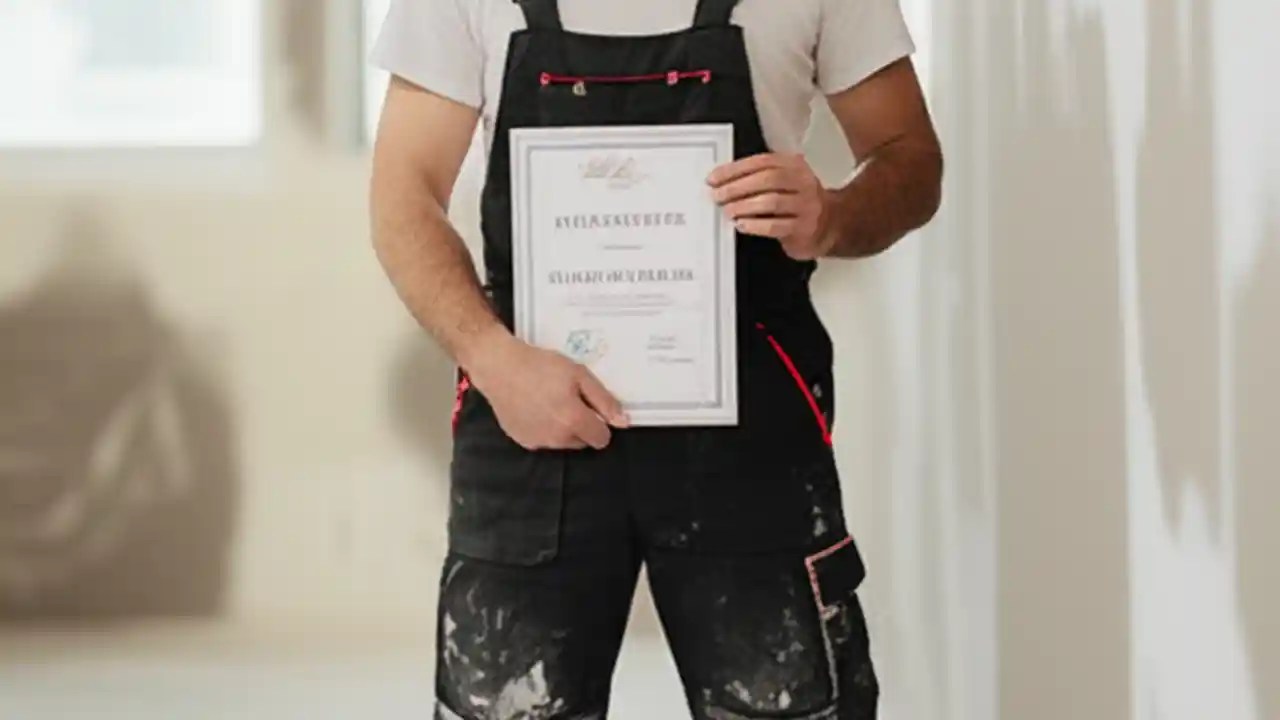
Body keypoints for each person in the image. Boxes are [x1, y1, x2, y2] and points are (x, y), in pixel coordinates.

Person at [369, 0, 942, 717]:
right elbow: (402, 193)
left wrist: (832, 216)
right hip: (530, 415)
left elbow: (910, 157)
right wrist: (490, 357)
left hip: (753, 431)